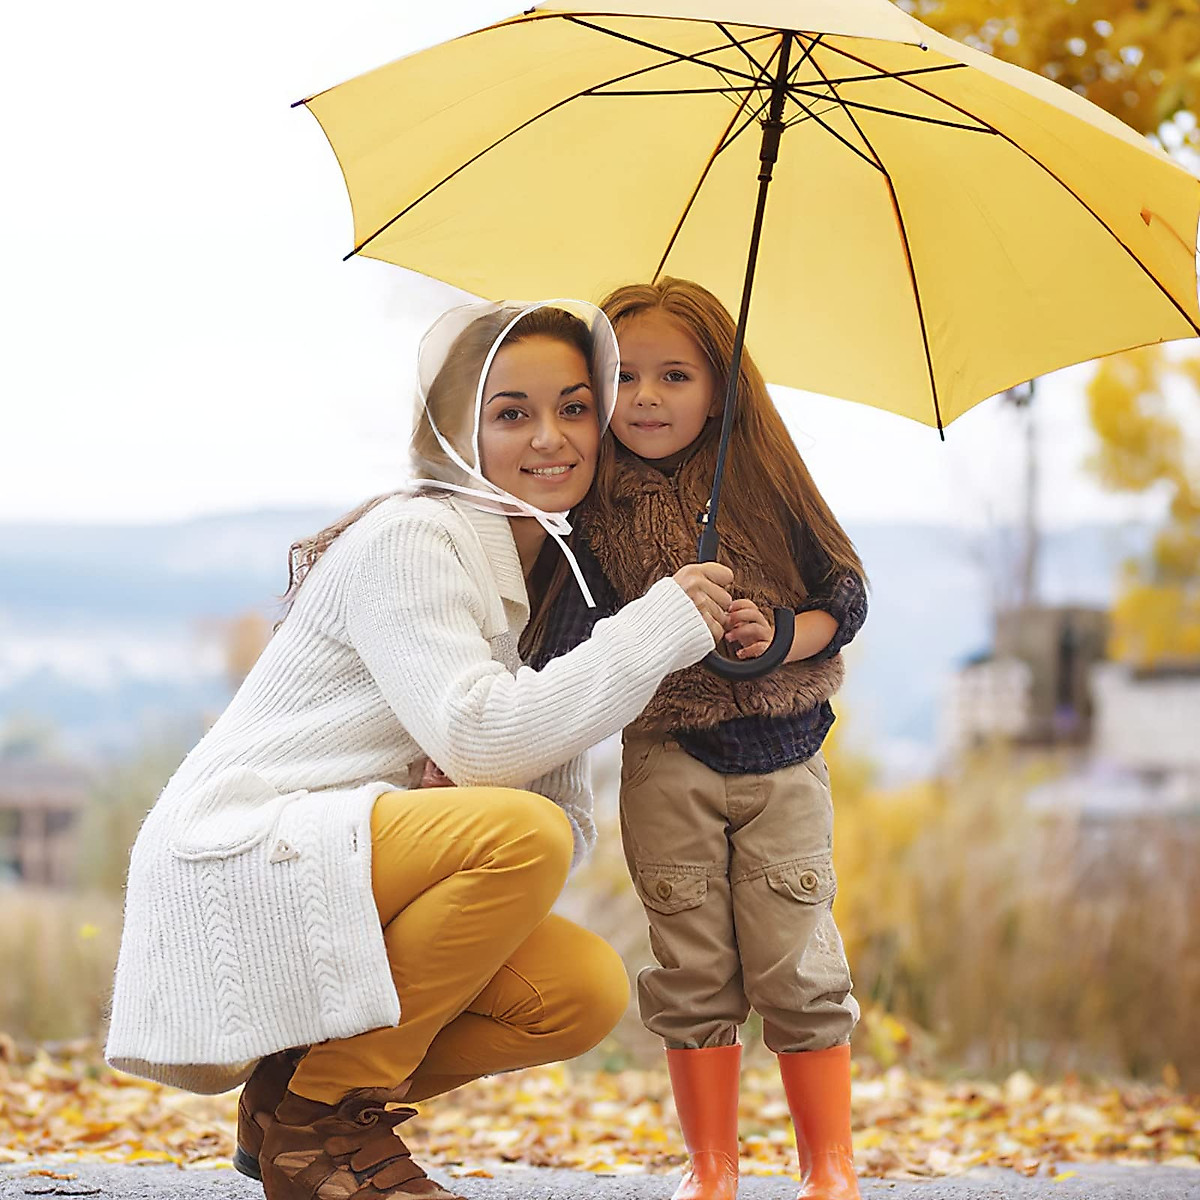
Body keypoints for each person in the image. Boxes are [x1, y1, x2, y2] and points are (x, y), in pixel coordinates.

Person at [105, 299, 736, 1200]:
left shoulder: (538, 574)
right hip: (246, 849)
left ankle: (288, 1099)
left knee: (580, 989)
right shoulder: (416, 539)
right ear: (453, 429)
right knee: (518, 836)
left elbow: (550, 816)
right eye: (512, 412)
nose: (552, 437)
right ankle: (321, 1129)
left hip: (343, 855)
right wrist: (656, 629)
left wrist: (479, 779)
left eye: (574, 406)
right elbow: (487, 751)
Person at [534, 279, 869, 1200]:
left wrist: (776, 636)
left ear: (720, 389)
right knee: (691, 964)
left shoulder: (765, 482)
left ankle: (828, 1166)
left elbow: (844, 600)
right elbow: (567, 633)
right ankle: (712, 1167)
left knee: (796, 960)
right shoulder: (594, 505)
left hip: (785, 758)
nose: (646, 398)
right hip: (668, 758)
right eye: (625, 377)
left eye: (674, 376)